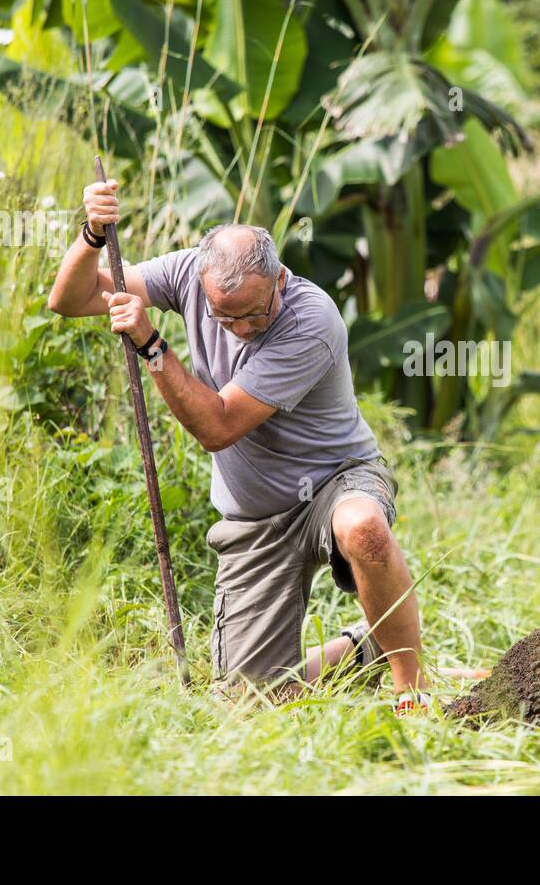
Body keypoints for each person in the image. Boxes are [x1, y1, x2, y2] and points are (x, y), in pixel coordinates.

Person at [46, 179, 430, 714]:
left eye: (254, 313)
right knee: (253, 705)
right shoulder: (187, 273)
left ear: (279, 279)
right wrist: (91, 234)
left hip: (334, 481)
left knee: (362, 527)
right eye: (225, 317)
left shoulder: (310, 321)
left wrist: (151, 345)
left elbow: (218, 427)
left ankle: (412, 689)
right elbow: (69, 299)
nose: (241, 328)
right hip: (254, 518)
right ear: (202, 285)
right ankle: (363, 651)